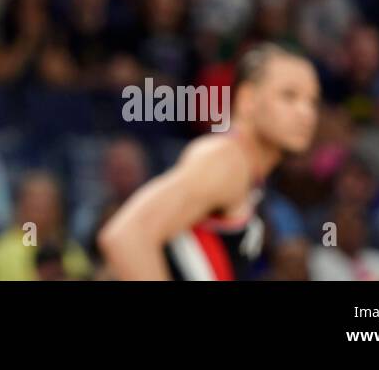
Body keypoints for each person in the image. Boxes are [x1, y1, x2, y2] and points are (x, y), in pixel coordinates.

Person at [98, 44, 320, 280]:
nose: (306, 113)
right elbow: (126, 235)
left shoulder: (247, 169)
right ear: (248, 99)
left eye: (313, 101)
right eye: (289, 96)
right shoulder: (226, 158)